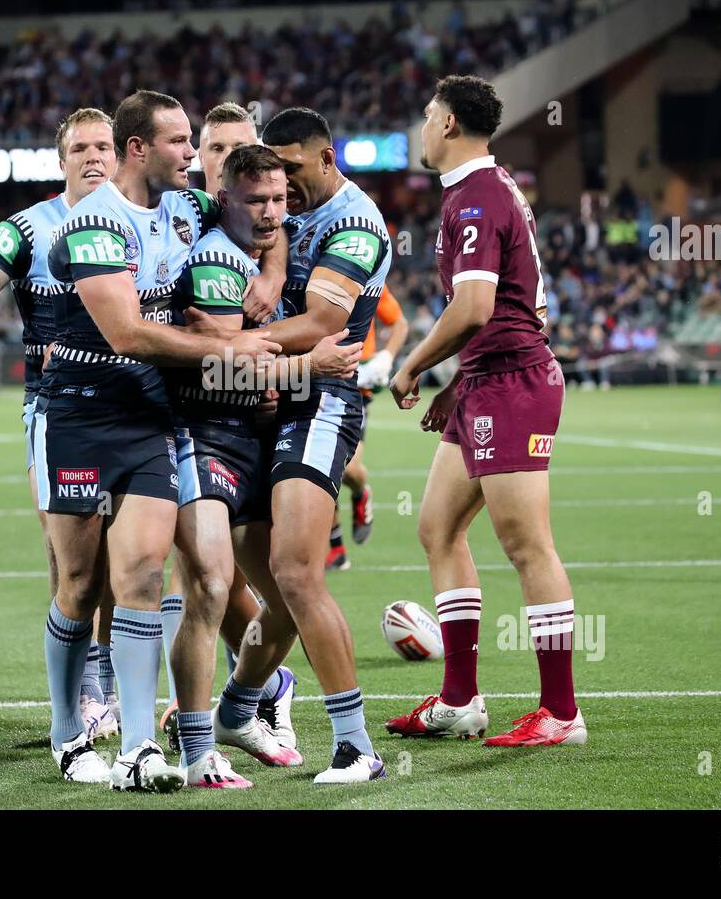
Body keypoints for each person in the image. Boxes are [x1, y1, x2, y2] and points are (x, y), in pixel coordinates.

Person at [38, 89, 279, 791]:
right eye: (180, 142)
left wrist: (269, 275)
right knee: (81, 585)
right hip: (81, 415)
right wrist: (229, 349)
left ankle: (140, 748)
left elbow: (264, 218)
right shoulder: (93, 223)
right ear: (138, 148)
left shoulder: (189, 207)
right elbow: (127, 334)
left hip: (150, 415)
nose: (195, 155)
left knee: (143, 574)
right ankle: (66, 732)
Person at [386, 74, 586, 747]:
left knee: (527, 544)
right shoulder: (482, 191)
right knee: (438, 529)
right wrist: (461, 380)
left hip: (513, 383)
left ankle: (561, 712)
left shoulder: (477, 198)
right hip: (486, 379)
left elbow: (474, 307)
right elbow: (500, 308)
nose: (422, 126)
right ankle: (460, 700)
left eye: (427, 114)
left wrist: (414, 365)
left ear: (447, 124)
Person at [166, 143, 360, 787]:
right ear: (225, 198)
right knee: (209, 588)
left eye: (279, 198)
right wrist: (307, 366)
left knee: (284, 599)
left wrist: (261, 366)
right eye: (256, 201)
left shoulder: (257, 253)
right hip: (205, 439)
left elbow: (242, 360)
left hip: (252, 440)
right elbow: (217, 373)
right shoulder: (217, 263)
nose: (273, 212)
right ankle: (195, 750)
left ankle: (240, 705)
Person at [213, 105, 393, 784]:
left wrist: (227, 346)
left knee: (295, 572)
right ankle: (236, 707)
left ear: (325, 157)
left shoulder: (354, 223)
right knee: (269, 588)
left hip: (317, 402)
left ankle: (356, 746)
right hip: (250, 404)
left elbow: (321, 321)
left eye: (291, 169)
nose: (280, 185)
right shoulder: (280, 214)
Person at [0, 107, 120, 741]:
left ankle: (107, 677)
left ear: (121, 155)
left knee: (128, 553)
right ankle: (84, 688)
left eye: (103, 146)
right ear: (61, 161)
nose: (93, 157)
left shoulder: (148, 221)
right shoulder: (26, 229)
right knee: (69, 550)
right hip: (56, 406)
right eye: (80, 149)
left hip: (137, 405)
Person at [326, 283, 409, 569]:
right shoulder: (305, 270)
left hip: (356, 388)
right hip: (313, 379)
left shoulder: (368, 277)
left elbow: (399, 323)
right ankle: (336, 548)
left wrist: (386, 358)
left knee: (346, 469)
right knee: (321, 468)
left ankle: (361, 492)